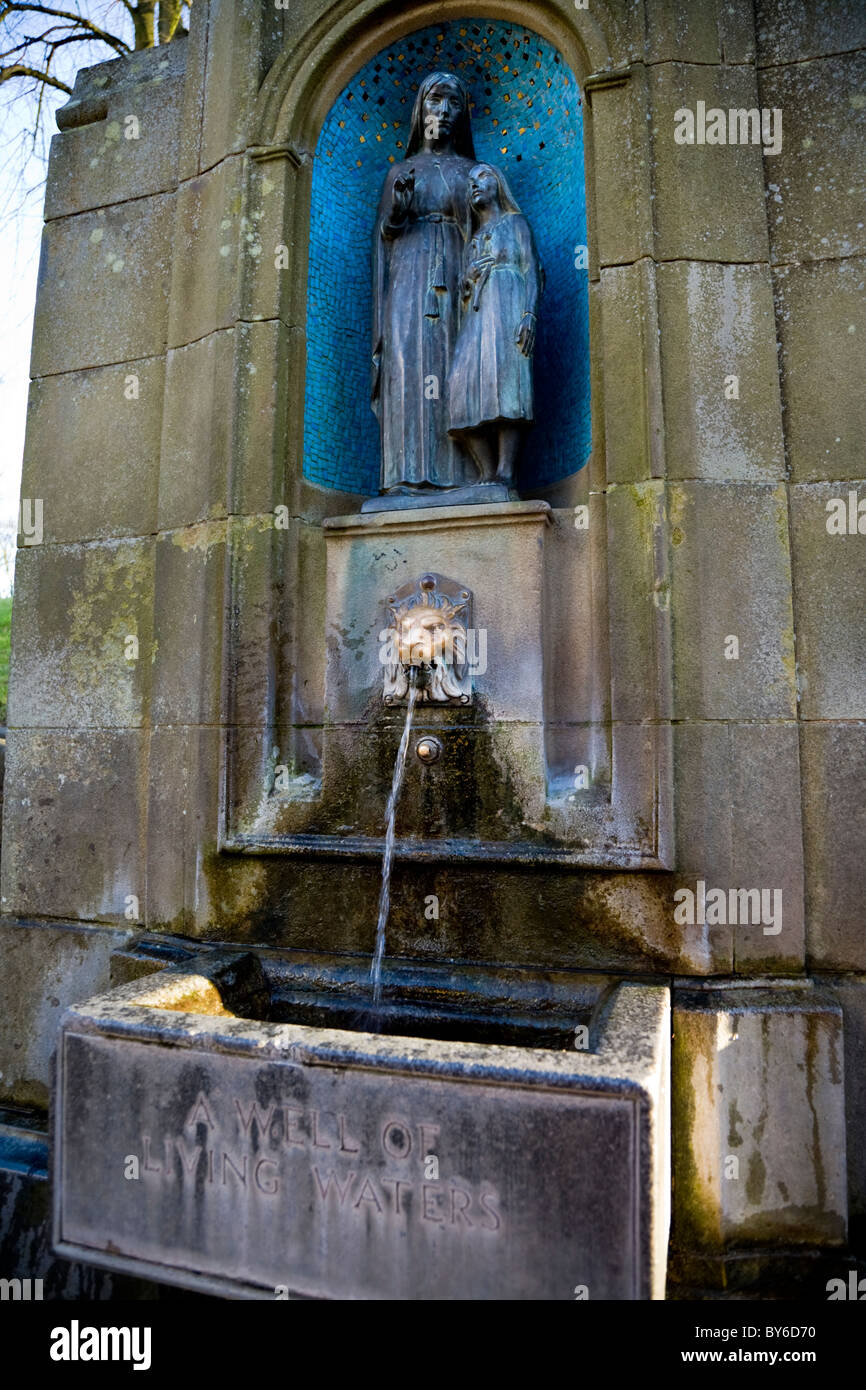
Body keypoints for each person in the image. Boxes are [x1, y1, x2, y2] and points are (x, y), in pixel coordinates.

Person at [371, 72, 478, 497]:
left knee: (461, 364)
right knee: (408, 363)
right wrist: (397, 210)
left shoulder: (474, 171)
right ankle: (406, 475)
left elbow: (494, 224)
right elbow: (384, 236)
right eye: (436, 101)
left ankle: (466, 476)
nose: (445, 112)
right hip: (409, 278)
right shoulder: (401, 171)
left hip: (458, 274)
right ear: (421, 110)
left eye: (454, 103)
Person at [447, 163, 542, 489]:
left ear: (498, 183)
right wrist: (468, 278)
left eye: (483, 176)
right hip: (477, 316)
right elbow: (462, 290)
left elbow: (531, 270)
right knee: (460, 385)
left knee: (506, 381)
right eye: (470, 181)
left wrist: (529, 314)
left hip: (508, 307)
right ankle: (486, 471)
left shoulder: (515, 223)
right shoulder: (472, 239)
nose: (475, 184)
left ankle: (506, 472)